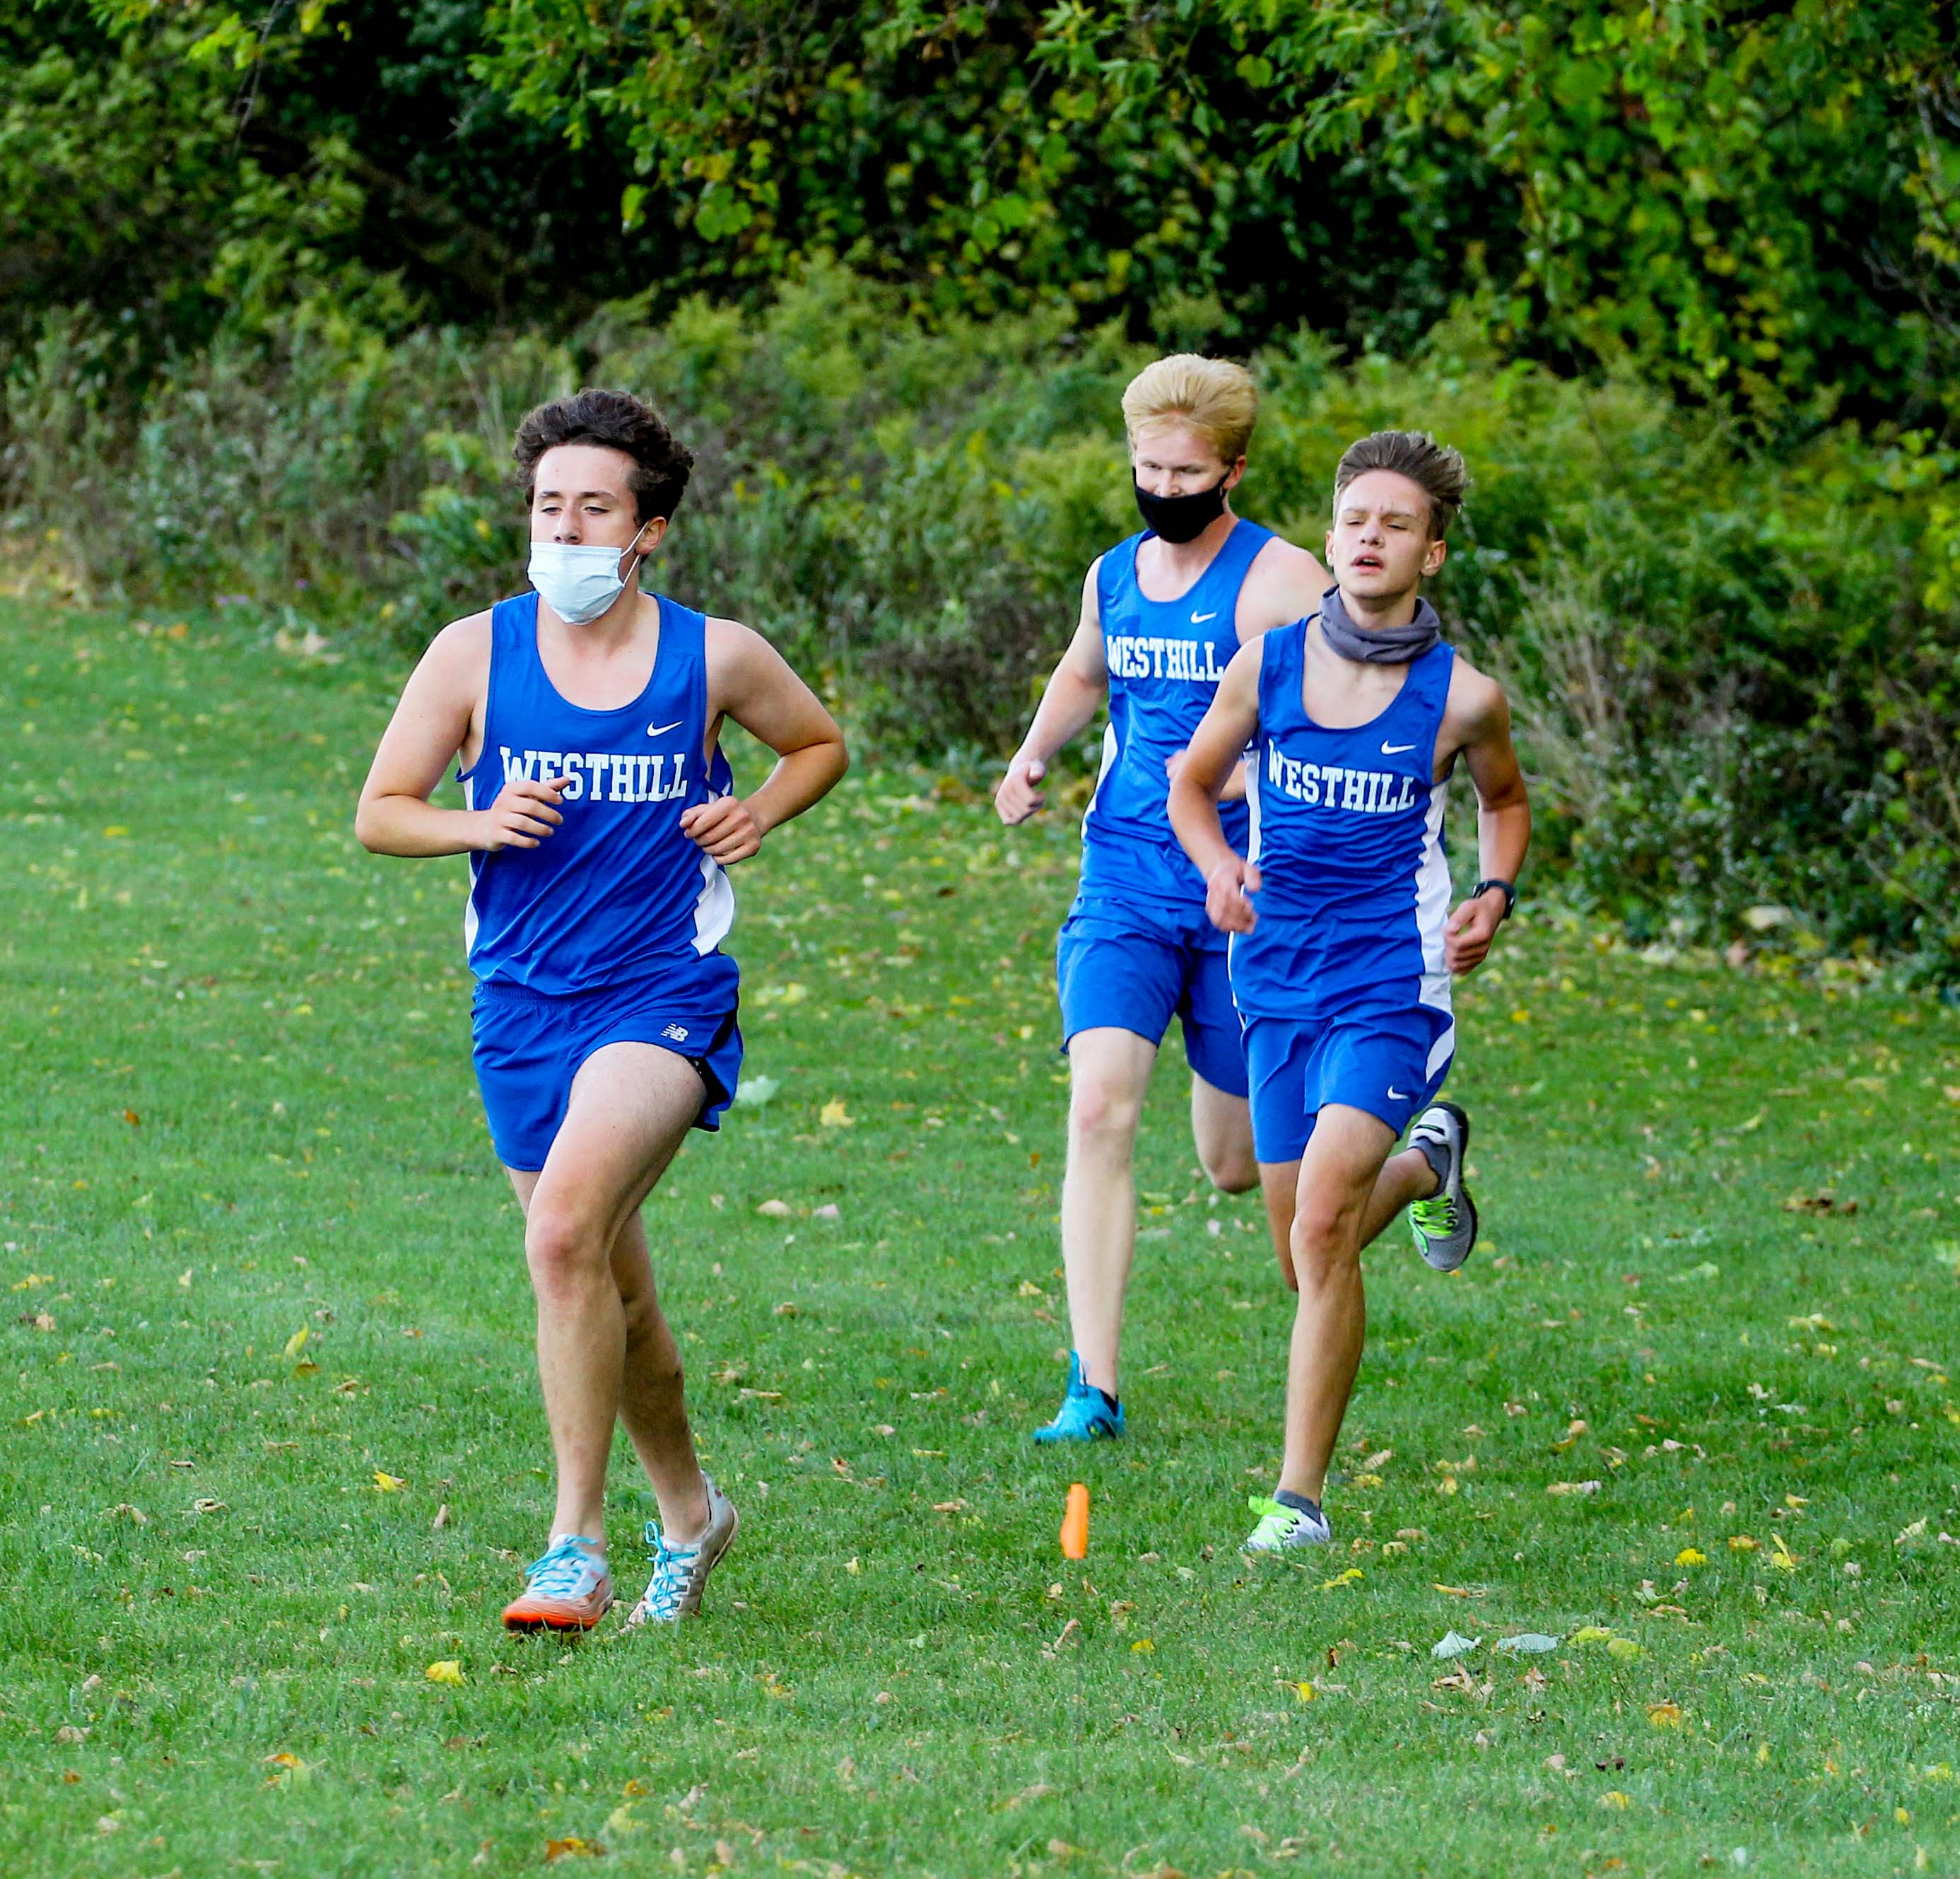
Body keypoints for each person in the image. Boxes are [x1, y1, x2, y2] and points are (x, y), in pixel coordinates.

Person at [355, 389, 847, 1628]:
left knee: (564, 1232)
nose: (564, 530)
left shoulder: (713, 655)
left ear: (649, 530)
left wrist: (759, 811)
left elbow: (818, 744)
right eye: (546, 506)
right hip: (519, 1005)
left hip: (661, 996)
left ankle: (573, 1542)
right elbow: (381, 809)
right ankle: (692, 1513)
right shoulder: (473, 651)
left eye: (592, 508)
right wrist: (476, 820)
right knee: (608, 1285)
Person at [1166, 428, 1530, 1551]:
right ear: (1330, 536)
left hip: (1392, 985)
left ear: (1431, 552)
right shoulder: (1266, 662)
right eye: (1354, 519)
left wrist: (1493, 891)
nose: (1370, 537)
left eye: (1397, 524)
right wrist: (1222, 866)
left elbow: (1505, 805)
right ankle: (1431, 1159)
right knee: (1299, 1256)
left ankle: (1298, 1502)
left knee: (1322, 1223)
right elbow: (1189, 784)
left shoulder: (1462, 696)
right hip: (1272, 980)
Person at [994, 355, 1330, 1441]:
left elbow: (1339, 709)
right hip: (1126, 874)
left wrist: (1238, 776)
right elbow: (1086, 671)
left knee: (1235, 1167)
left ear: (1231, 470)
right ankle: (1092, 1385)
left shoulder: (1283, 582)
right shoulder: (1114, 573)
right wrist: (1031, 755)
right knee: (1097, 1104)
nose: (1163, 487)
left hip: (1244, 893)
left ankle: (1406, 1147)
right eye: (1146, 467)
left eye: (1185, 472)